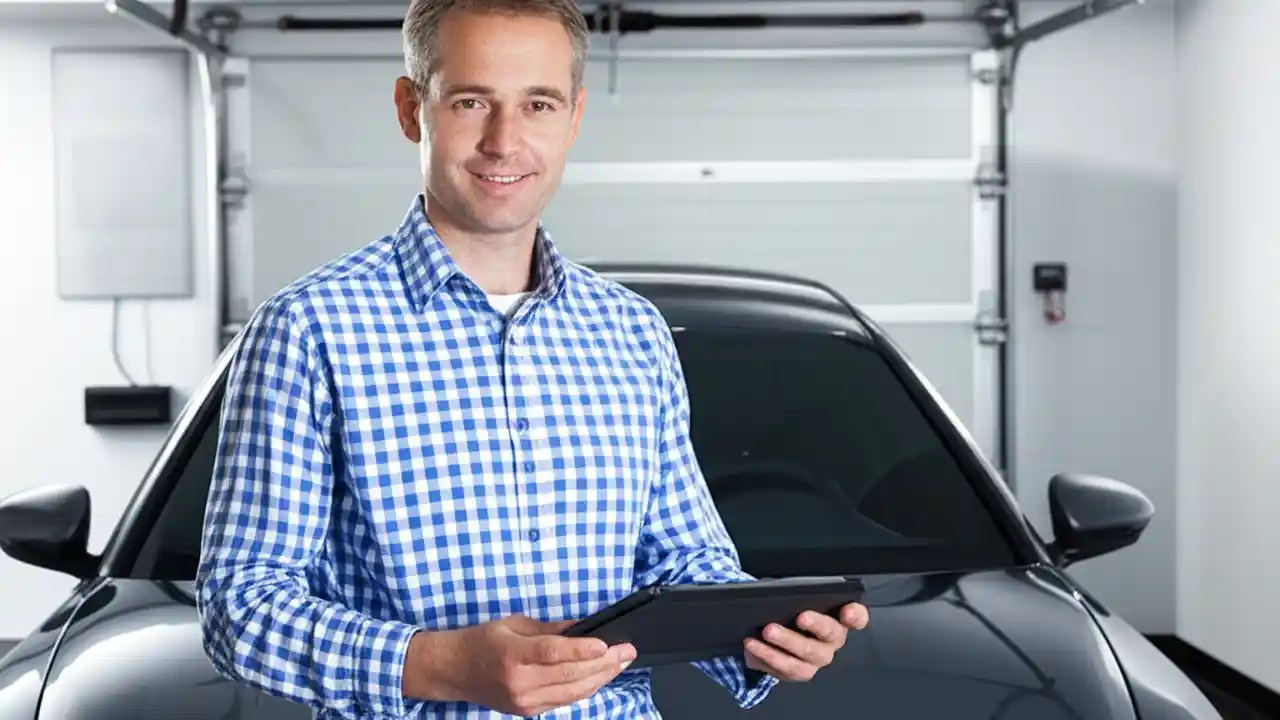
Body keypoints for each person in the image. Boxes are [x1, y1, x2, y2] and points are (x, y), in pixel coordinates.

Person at [194, 0, 869, 718]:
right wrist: (440, 666)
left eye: (537, 104)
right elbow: (240, 608)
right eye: (471, 101)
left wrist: (763, 632)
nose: (503, 141)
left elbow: (680, 561)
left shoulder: (631, 332)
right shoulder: (309, 331)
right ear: (410, 108)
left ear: (573, 117)